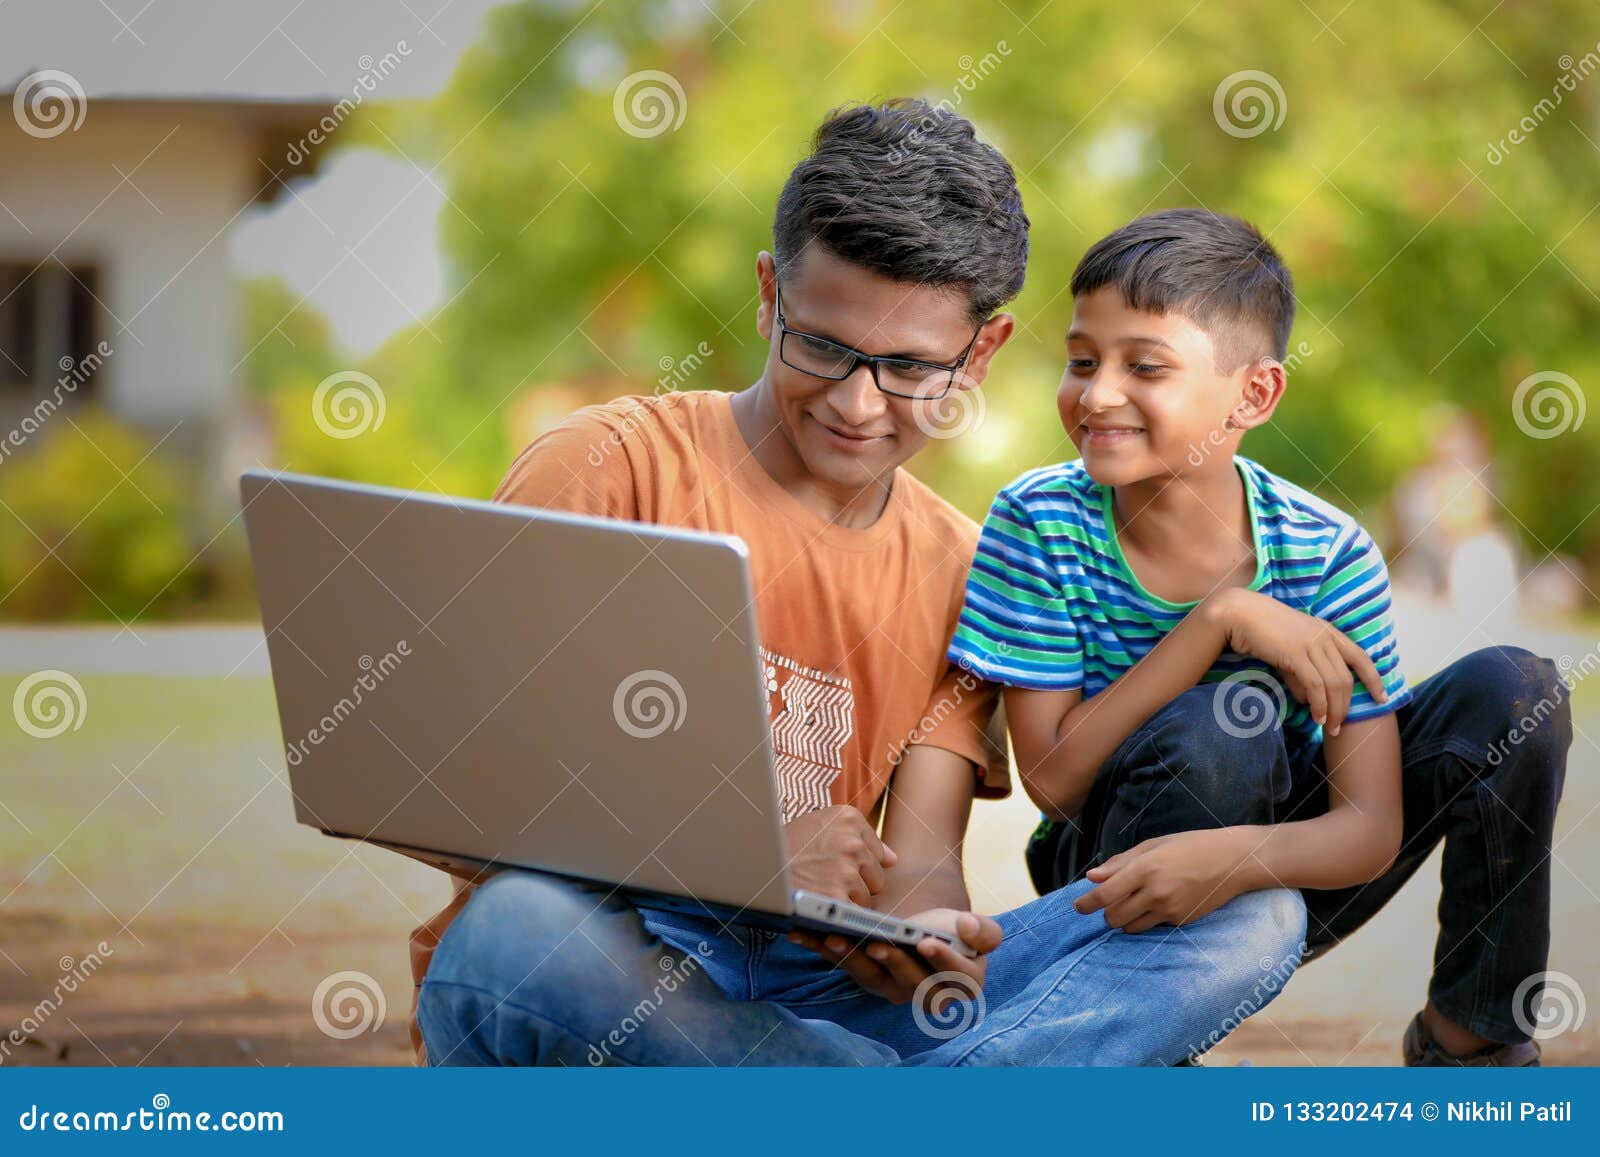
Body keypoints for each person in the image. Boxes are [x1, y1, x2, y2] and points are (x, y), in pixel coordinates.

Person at [410, 104, 1305, 1068]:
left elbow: (922, 856)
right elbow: (454, 798)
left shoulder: (967, 563)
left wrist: (925, 942)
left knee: (1252, 914)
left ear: (984, 352)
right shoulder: (610, 467)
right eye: (825, 346)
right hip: (619, 975)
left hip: (829, 1001)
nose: (856, 402)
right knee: (513, 935)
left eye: (913, 367)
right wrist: (727, 856)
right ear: (768, 295)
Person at [948, 208, 1571, 1067]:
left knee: (1517, 691)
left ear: (1254, 394)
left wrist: (1232, 858)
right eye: (1082, 360)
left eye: (1146, 366)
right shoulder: (1039, 520)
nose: (1096, 394)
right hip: (1112, 881)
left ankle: (1470, 1043)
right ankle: (1139, 1036)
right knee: (1217, 727)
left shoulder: (1326, 551)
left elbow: (1369, 824)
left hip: (1287, 866)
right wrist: (1215, 622)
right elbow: (1052, 783)